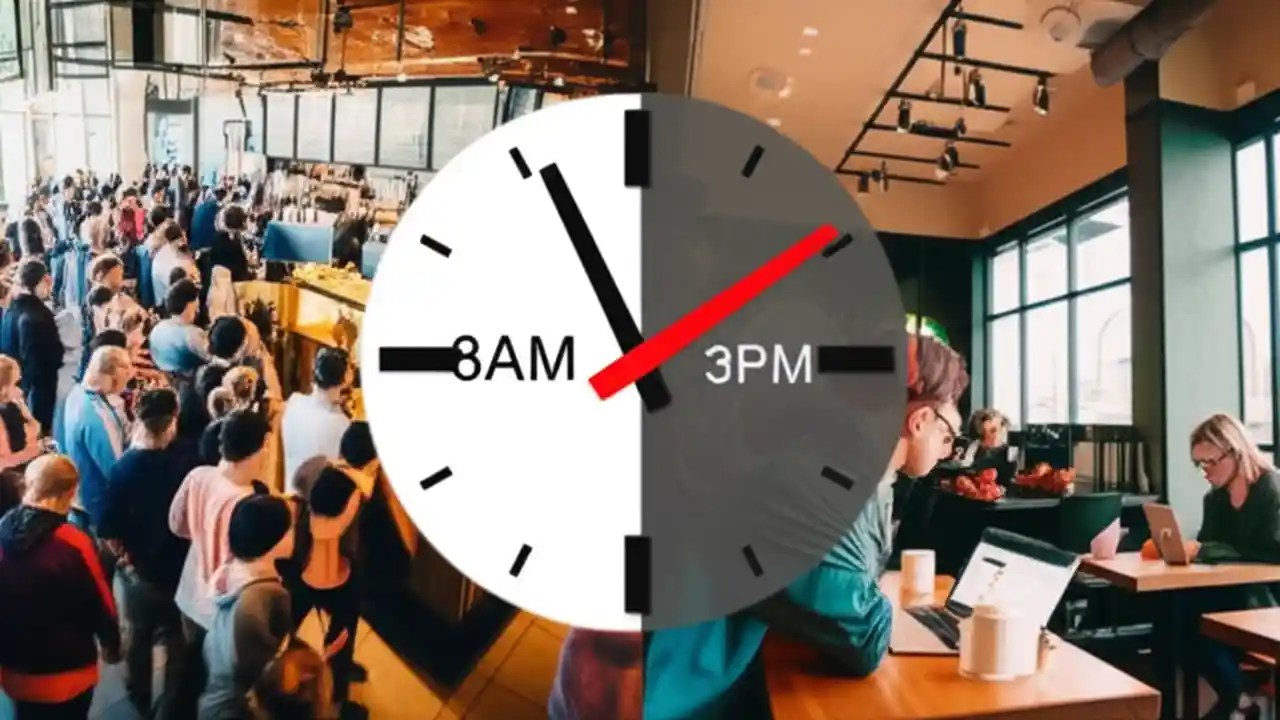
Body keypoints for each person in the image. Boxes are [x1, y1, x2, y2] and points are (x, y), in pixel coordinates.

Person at [549, 335, 970, 719]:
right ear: (920, 421)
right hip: (648, 698)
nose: (946, 448)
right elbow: (863, 640)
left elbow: (852, 590)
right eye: (948, 434)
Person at [99, 388, 200, 719]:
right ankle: (170, 706)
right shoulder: (187, 459)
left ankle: (139, 697)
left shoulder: (123, 469)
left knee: (138, 640)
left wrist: (124, 556)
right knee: (177, 642)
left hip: (141, 573)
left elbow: (108, 528)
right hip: (181, 570)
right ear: (172, 421)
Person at [0, 455, 122, 717]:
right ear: (71, 492)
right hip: (68, 671)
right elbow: (99, 599)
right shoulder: (73, 542)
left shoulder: (1, 534)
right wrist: (112, 642)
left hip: (15, 672)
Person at [169, 410, 271, 715]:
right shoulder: (251, 503)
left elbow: (176, 525)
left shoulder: (198, 476)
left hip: (189, 591)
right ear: (258, 448)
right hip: (221, 609)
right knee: (216, 684)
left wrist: (203, 537)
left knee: (187, 667)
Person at [1187, 413, 1280, 720]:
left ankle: (1235, 698)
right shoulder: (1214, 501)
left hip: (1269, 596)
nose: (1206, 472)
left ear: (1236, 451)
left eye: (1211, 462)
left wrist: (1211, 551)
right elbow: (1208, 547)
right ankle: (1238, 697)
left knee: (1198, 617)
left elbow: (1272, 552)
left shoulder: (1272, 490)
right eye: (1200, 465)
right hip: (1233, 592)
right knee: (1177, 615)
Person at [199, 493, 295, 719]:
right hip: (239, 709)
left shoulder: (232, 574)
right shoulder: (262, 596)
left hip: (215, 697)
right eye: (289, 529)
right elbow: (260, 672)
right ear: (273, 541)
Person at [284, 465, 364, 710]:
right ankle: (335, 696)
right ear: (342, 517)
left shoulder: (303, 518)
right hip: (336, 582)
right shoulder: (346, 521)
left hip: (303, 574)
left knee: (287, 627)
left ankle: (291, 678)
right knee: (342, 637)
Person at [59, 345, 133, 534]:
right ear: (113, 375)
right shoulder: (98, 417)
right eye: (125, 378)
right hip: (97, 505)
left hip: (78, 495)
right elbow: (115, 470)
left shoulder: (76, 394)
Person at [0, 260, 64, 434]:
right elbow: (37, 367)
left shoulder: (11, 309)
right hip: (35, 393)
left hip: (16, 387)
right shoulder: (36, 316)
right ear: (41, 280)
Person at [281, 347, 352, 491]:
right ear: (344, 378)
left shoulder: (294, 402)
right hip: (318, 497)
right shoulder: (342, 425)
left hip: (290, 486)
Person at [150, 279, 210, 375]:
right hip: (189, 384)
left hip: (163, 379)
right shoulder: (192, 334)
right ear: (190, 304)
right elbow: (213, 357)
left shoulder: (157, 328)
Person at [0, 355, 43, 472]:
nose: (20, 390)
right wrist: (32, 451)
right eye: (14, 384)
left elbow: (36, 426)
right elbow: (3, 463)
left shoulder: (11, 404)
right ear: (3, 388)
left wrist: (23, 407)